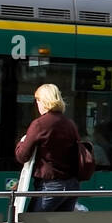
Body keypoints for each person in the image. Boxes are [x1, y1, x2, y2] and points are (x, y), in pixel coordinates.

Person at [14, 84, 82, 212]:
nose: (37, 104)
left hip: (50, 185)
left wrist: (20, 143)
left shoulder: (39, 124)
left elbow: (22, 156)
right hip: (72, 185)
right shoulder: (70, 124)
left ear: (44, 101)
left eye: (37, 100)